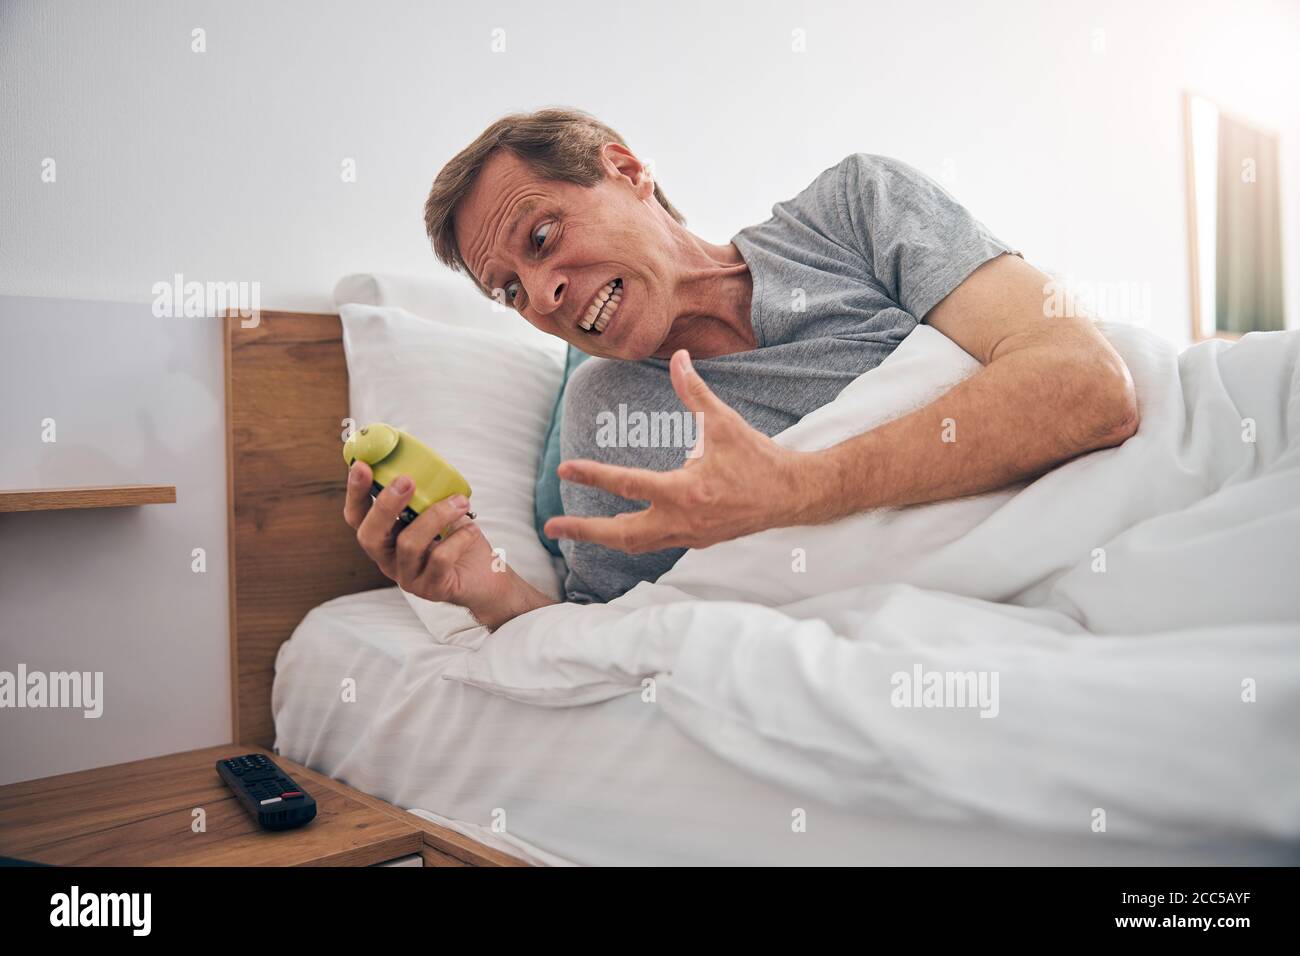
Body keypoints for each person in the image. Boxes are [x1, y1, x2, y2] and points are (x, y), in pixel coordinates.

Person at [344, 108, 1138, 628]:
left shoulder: (855, 211)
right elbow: (607, 647)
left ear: (625, 169)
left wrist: (798, 489)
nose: (543, 293)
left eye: (543, 236)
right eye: (509, 289)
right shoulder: (606, 417)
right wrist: (479, 588)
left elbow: (1091, 384)